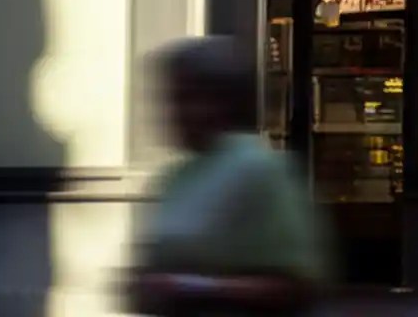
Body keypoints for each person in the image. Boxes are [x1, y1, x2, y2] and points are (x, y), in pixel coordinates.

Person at [123, 36, 333, 316]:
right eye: (169, 99)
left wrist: (194, 287)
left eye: (186, 98)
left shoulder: (260, 169)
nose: (172, 113)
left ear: (222, 102)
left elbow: (297, 282)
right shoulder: (174, 177)